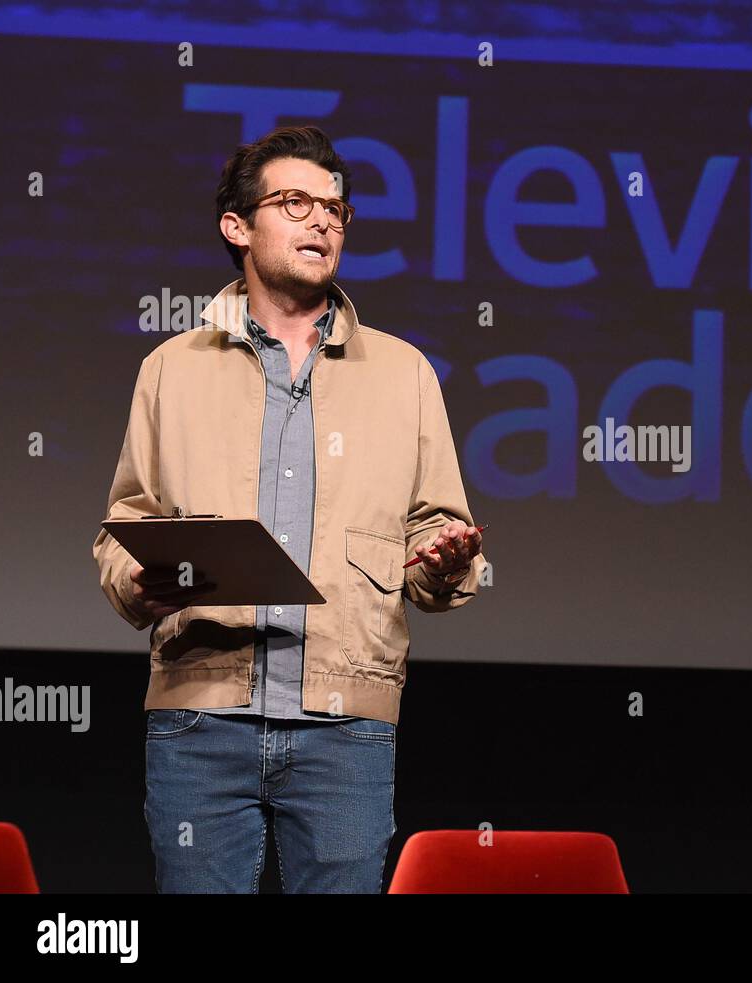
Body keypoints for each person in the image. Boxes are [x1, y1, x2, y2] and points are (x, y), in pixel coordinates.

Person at [92, 125, 487, 893]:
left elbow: (437, 531)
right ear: (237, 226)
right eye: (296, 202)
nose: (322, 222)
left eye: (336, 210)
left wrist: (444, 560)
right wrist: (137, 581)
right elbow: (123, 528)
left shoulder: (404, 373)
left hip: (346, 722)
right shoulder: (170, 369)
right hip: (199, 717)